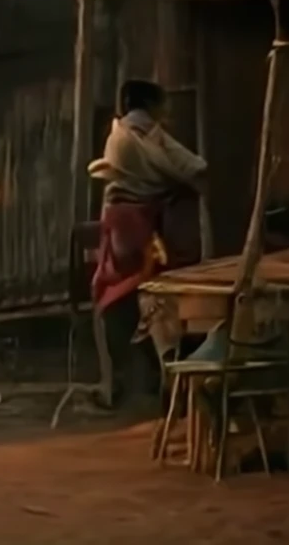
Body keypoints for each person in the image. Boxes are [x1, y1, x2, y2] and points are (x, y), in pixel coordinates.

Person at [87, 79, 208, 397]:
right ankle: (167, 368)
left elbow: (181, 164)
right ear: (151, 105)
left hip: (127, 225)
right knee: (156, 284)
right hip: (135, 227)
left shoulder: (131, 135)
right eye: (162, 104)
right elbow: (184, 168)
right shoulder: (133, 136)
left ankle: (153, 371)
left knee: (147, 287)